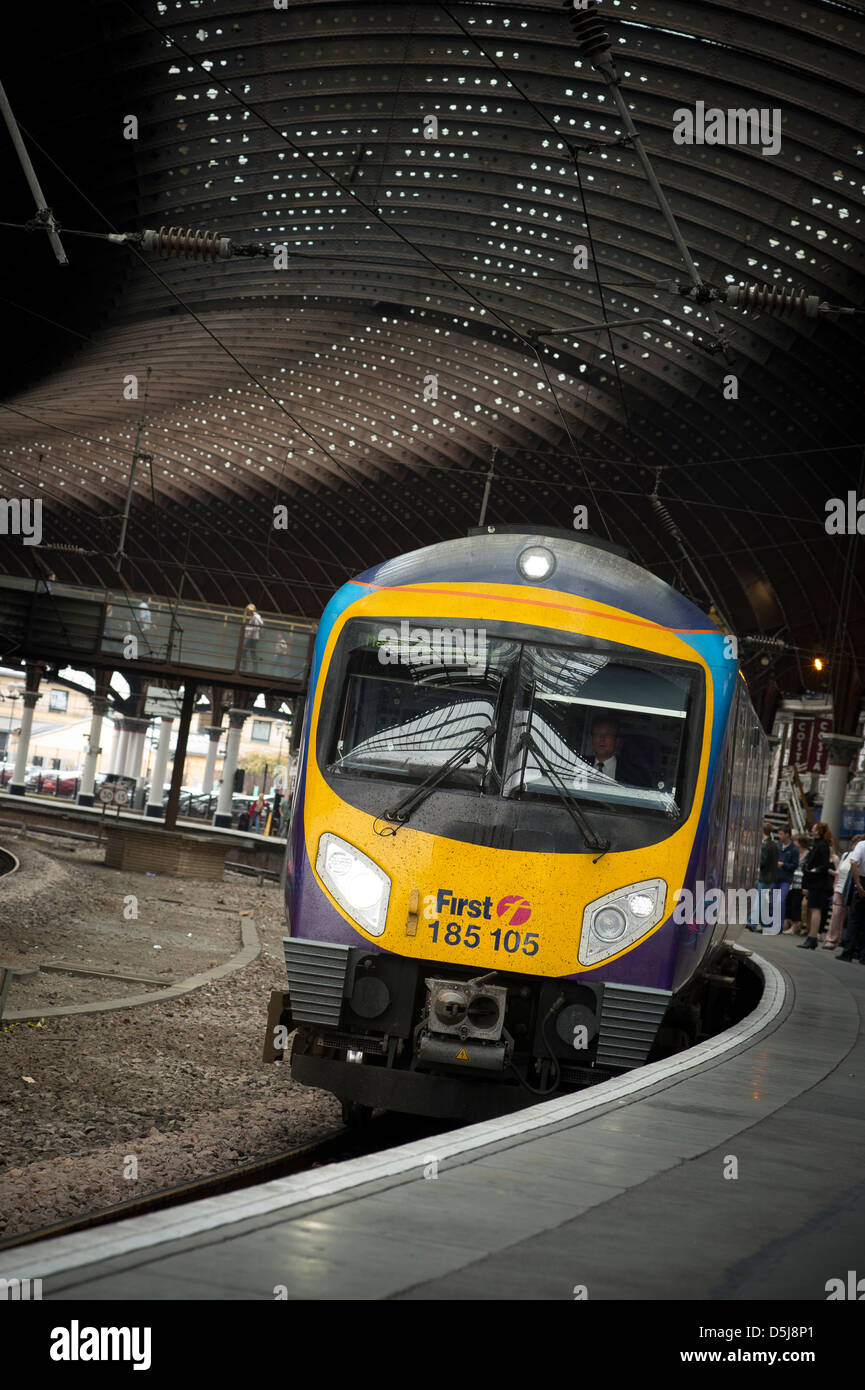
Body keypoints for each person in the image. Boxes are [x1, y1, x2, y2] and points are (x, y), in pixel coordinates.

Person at [579, 715, 654, 789]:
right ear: (591, 739)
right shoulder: (579, 764)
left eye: (607, 735)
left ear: (617, 741)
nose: (602, 739)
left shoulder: (634, 773)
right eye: (597, 734)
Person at [825, 834, 864, 950]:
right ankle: (831, 939)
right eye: (854, 844)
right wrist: (834, 886)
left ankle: (846, 940)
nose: (854, 846)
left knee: (850, 917)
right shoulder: (846, 855)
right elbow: (838, 872)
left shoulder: (859, 856)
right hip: (839, 888)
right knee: (836, 915)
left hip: (850, 889)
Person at [798, 822, 832, 950]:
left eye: (814, 828)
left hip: (819, 883)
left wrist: (815, 870)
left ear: (818, 831)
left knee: (815, 909)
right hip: (815, 882)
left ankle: (812, 937)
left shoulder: (822, 845)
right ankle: (811, 937)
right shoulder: (818, 844)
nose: (812, 830)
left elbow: (824, 865)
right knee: (813, 909)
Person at [837, 833, 865, 963]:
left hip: (862, 881)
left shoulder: (862, 845)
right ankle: (862, 954)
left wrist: (857, 883)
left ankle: (848, 951)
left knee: (854, 919)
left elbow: (853, 862)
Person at [782, 834, 811, 934]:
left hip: (801, 882)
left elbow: (808, 871)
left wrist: (806, 886)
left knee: (796, 904)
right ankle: (790, 924)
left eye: (796, 841)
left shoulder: (808, 855)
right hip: (792, 881)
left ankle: (795, 926)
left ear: (800, 843)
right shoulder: (795, 853)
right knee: (789, 902)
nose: (794, 843)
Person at [776, 826, 798, 930]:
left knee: (781, 900)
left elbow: (795, 865)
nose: (779, 836)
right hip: (775, 877)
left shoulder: (793, 849)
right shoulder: (778, 845)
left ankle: (779, 925)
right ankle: (771, 922)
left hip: (786, 879)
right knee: (772, 900)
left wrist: (783, 865)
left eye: (781, 834)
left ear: (787, 835)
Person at [242, 603, 263, 673]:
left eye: (248, 610)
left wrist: (247, 629)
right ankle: (255, 669)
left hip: (253, 638)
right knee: (252, 653)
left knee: (244, 651)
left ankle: (245, 667)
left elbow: (257, 627)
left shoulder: (255, 617)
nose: (247, 612)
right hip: (253, 638)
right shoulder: (254, 617)